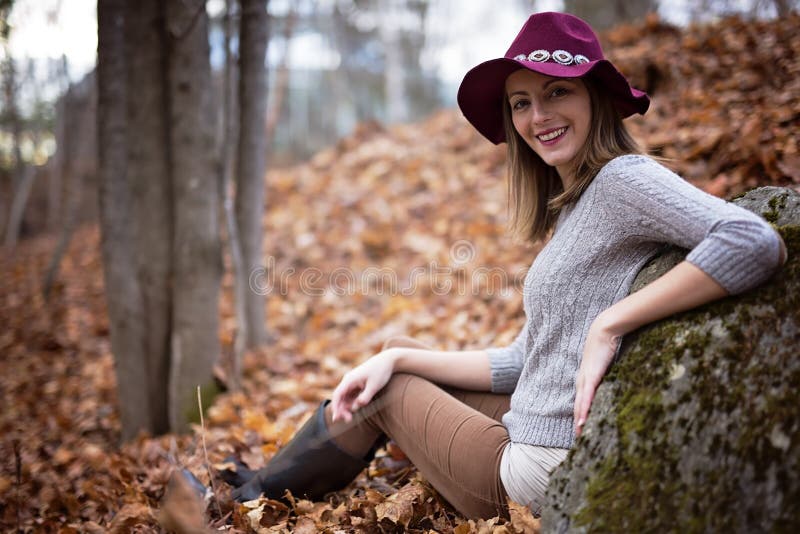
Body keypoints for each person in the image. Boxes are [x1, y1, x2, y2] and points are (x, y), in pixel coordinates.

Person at [223, 12, 787, 519]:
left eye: (556, 93)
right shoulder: (579, 206)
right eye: (522, 103)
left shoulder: (623, 180)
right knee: (394, 363)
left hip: (536, 469)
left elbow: (753, 242)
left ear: (594, 96)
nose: (538, 116)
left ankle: (245, 502)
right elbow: (524, 359)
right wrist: (394, 352)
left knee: (388, 393)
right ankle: (261, 488)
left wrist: (610, 323)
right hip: (536, 424)